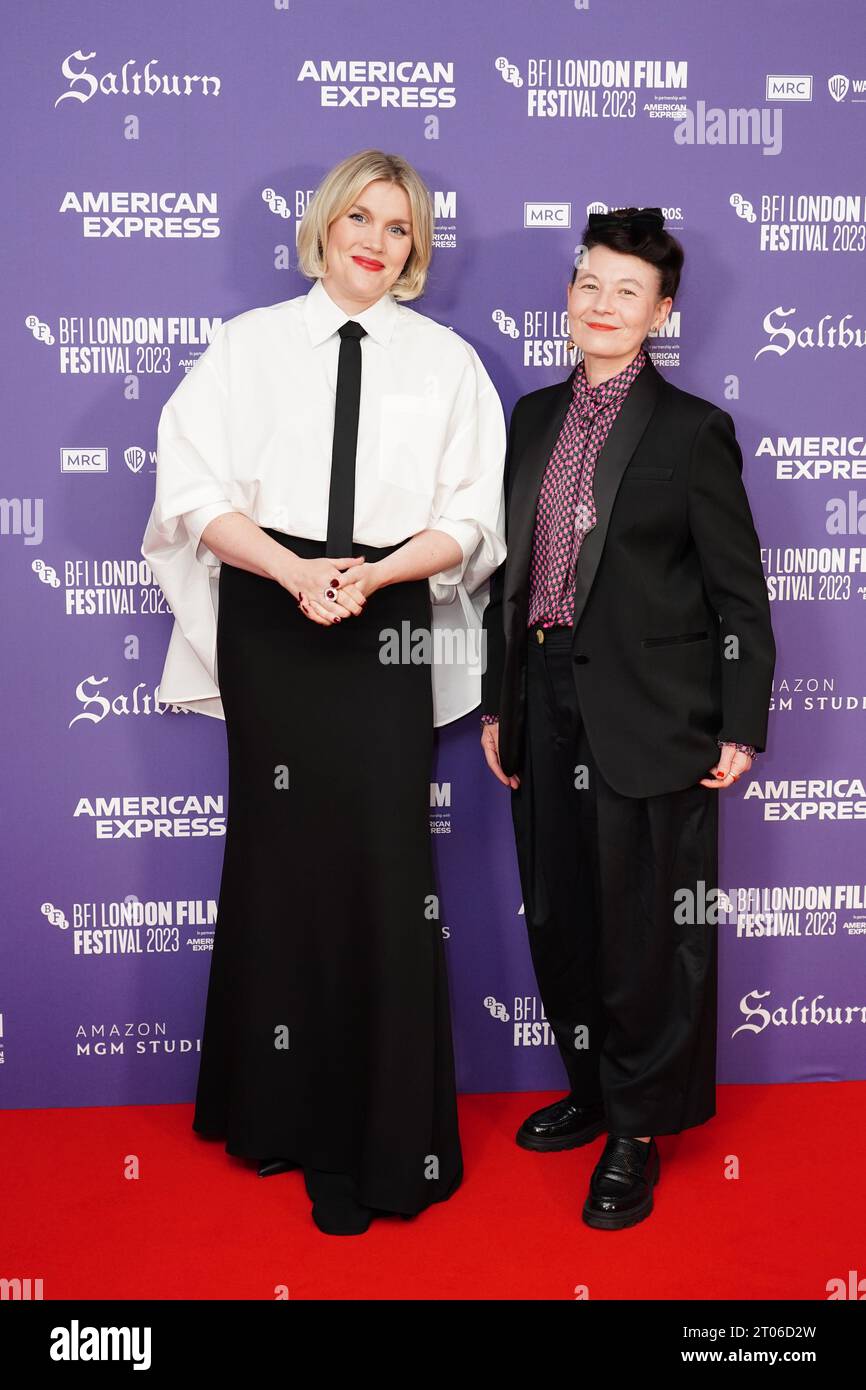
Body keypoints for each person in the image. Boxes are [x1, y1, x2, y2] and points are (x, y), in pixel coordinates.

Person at [141, 148, 506, 1235]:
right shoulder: (246, 347)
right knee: (279, 863)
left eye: (398, 227)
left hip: (385, 615)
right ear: (322, 225)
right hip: (272, 611)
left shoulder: (445, 362)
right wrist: (295, 570)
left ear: (415, 249)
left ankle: (383, 1138)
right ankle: (276, 1117)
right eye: (360, 216)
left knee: (389, 873)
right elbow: (192, 489)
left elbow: (474, 515)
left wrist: (374, 572)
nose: (375, 239)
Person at [480, 207, 775, 1230]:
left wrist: (737, 723)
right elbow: (503, 579)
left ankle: (637, 1130)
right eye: (589, 285)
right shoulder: (525, 418)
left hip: (653, 714)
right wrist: (497, 699)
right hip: (542, 698)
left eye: (626, 292)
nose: (602, 306)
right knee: (561, 912)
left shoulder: (691, 430)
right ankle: (593, 1087)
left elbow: (739, 594)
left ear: (660, 312)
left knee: (647, 929)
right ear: (568, 293)